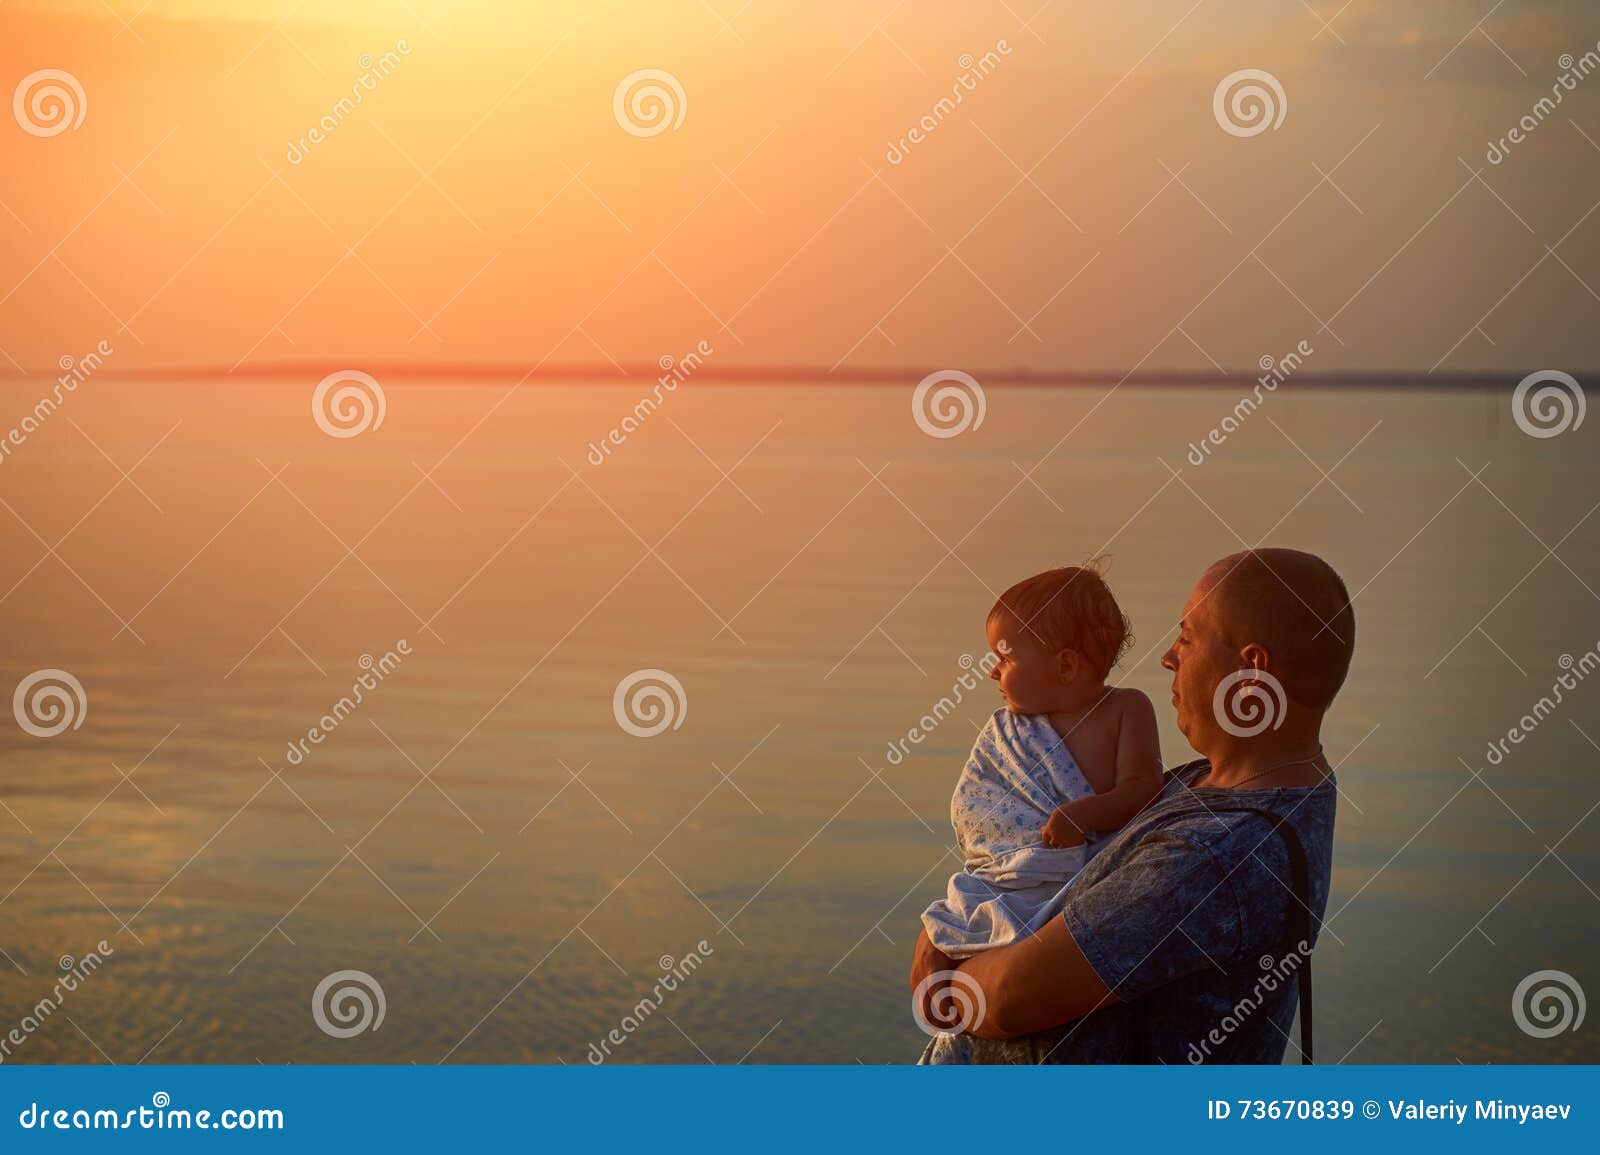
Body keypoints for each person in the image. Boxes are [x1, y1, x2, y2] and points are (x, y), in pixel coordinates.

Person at [909, 548, 1354, 1063]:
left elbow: (1007, 1000)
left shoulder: (1211, 855)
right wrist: (950, 927)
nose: (1168, 657)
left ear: (1251, 669)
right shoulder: (1215, 787)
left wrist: (945, 954)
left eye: (1187, 638)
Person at [918, 564, 1163, 1062]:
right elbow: (983, 806)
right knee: (964, 909)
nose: (992, 671)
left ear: (1066, 667)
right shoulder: (1008, 732)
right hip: (1013, 869)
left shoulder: (1126, 710)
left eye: (1004, 658)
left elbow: (1143, 787)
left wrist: (1087, 813)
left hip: (1081, 875)